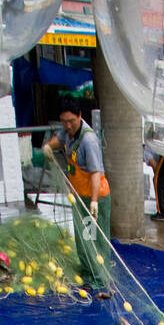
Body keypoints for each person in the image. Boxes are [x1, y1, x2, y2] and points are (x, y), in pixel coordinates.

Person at [43, 100, 111, 281]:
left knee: (95, 239)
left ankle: (99, 277)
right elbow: (59, 140)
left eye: (71, 120)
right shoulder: (67, 132)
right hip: (79, 195)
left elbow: (95, 173)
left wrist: (94, 201)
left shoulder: (89, 140)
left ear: (80, 116)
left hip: (94, 195)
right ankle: (89, 271)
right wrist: (48, 146)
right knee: (83, 239)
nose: (67, 125)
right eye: (64, 121)